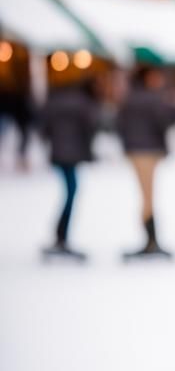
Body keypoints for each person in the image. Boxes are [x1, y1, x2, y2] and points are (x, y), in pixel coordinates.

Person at [116, 66, 175, 260]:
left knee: (146, 195)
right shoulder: (154, 99)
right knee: (148, 197)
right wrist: (171, 104)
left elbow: (120, 124)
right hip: (148, 151)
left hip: (135, 151)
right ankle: (151, 240)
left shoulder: (129, 98)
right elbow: (166, 120)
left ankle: (151, 240)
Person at [37, 76, 101, 260]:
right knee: (71, 191)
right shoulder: (84, 103)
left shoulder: (54, 101)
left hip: (58, 152)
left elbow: (44, 127)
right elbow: (92, 126)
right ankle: (61, 234)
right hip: (74, 153)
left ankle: (61, 234)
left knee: (70, 191)